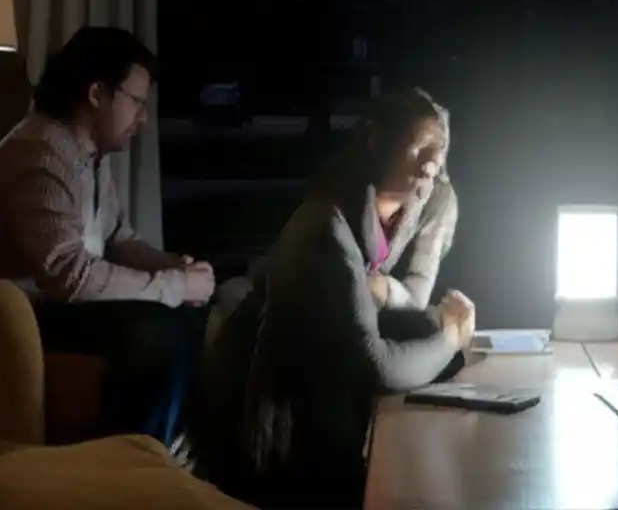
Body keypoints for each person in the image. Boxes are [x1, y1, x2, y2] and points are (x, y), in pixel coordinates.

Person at [192, 87, 474, 509]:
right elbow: (373, 364)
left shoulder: (420, 205)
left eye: (440, 151)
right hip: (277, 429)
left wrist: (396, 301)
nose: (433, 163)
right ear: (376, 140)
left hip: (324, 408)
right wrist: (451, 338)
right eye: (421, 146)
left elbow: (406, 302)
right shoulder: (327, 225)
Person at [0, 26, 216, 444]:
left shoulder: (90, 154)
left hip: (57, 303)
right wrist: (171, 286)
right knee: (157, 334)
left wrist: (173, 266)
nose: (143, 117)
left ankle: (162, 448)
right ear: (97, 94)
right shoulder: (41, 151)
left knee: (191, 314)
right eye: (136, 102)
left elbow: (119, 238)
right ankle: (124, 468)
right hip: (15, 314)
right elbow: (69, 275)